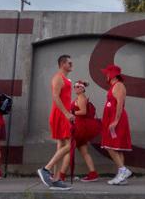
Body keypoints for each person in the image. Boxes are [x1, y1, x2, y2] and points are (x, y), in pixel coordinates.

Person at [37, 55, 75, 190]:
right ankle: (46, 169)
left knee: (61, 146)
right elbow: (55, 96)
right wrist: (66, 113)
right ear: (63, 64)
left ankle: (56, 179)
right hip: (60, 115)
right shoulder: (58, 78)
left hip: (63, 114)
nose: (72, 65)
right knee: (69, 145)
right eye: (69, 63)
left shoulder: (65, 79)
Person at [101, 64, 133, 185]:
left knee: (109, 145)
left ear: (112, 75)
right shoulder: (114, 86)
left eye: (107, 74)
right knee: (117, 148)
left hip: (116, 119)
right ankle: (122, 177)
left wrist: (115, 120)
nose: (106, 76)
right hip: (112, 118)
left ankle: (123, 170)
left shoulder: (119, 85)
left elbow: (120, 104)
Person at [63, 80, 101, 182]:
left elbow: (83, 112)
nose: (75, 88)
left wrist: (71, 112)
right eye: (74, 86)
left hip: (78, 128)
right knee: (84, 152)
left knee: (68, 150)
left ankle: (61, 175)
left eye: (78, 87)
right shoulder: (80, 97)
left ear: (83, 88)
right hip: (80, 127)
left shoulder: (81, 98)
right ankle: (93, 173)